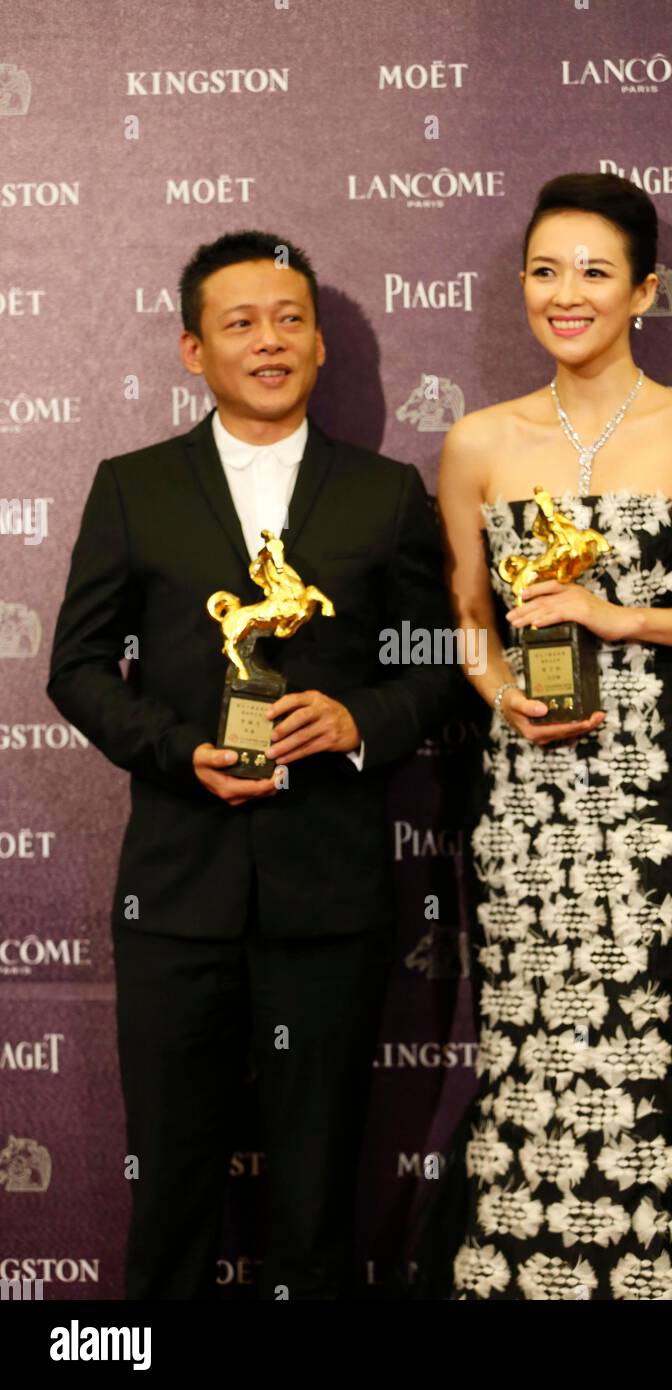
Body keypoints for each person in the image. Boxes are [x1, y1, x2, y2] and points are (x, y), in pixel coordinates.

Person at [415, 172, 672, 1300]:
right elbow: (467, 629)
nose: (564, 293)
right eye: (544, 271)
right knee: (528, 1065)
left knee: (634, 1069)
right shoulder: (478, 444)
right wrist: (501, 700)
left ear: (643, 291)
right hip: (524, 803)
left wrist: (620, 615)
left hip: (657, 799)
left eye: (593, 272)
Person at [46, 230, 458, 1300]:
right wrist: (179, 750)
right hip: (178, 893)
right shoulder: (133, 487)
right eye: (238, 323)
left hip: (329, 893)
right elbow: (78, 669)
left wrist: (357, 718)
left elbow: (445, 666)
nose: (267, 341)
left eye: (288, 320)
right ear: (193, 349)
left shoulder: (384, 492)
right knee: (171, 1189)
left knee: (316, 1195)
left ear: (319, 344)